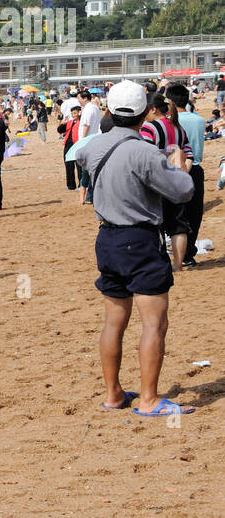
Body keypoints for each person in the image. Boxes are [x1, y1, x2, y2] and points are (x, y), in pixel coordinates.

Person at [74, 81, 195, 417]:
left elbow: (83, 156)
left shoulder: (92, 147)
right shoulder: (144, 151)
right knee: (154, 323)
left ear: (109, 111)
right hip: (140, 240)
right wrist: (177, 163)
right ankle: (149, 399)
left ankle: (113, 394)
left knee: (114, 321)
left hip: (107, 239)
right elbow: (183, 190)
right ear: (145, 114)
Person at [140, 94, 192, 271]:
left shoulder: (149, 128)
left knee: (156, 225)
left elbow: (147, 155)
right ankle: (178, 265)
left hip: (159, 183)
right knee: (179, 226)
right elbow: (188, 153)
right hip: (178, 182)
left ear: (153, 109)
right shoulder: (178, 127)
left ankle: (160, 263)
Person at [167, 84, 206, 266]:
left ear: (171, 102)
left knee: (178, 214)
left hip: (177, 170)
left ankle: (179, 254)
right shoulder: (199, 120)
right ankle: (189, 253)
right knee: (195, 214)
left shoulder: (171, 123)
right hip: (196, 168)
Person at [59, 105, 82, 190]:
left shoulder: (82, 123)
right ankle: (71, 185)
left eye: (75, 113)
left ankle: (81, 185)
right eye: (72, 113)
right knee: (68, 165)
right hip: (68, 145)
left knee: (79, 166)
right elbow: (60, 130)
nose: (73, 115)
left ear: (79, 113)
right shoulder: (69, 122)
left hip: (77, 145)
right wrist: (63, 123)